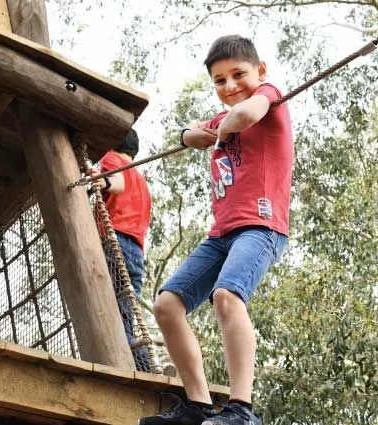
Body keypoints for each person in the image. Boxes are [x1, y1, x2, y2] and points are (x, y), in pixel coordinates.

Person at [139, 35, 293, 425]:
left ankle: (242, 410)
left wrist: (209, 130)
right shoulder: (222, 118)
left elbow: (243, 116)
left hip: (261, 226)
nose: (230, 86)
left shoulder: (270, 96)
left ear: (260, 70)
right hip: (221, 234)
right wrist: (185, 135)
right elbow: (190, 132)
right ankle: (197, 404)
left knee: (226, 296)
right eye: (219, 81)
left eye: (238, 74)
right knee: (166, 305)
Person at [89, 128, 153, 371]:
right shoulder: (142, 182)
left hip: (115, 243)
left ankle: (142, 366)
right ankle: (144, 363)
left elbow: (115, 182)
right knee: (126, 314)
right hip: (135, 252)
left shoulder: (111, 158)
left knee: (113, 317)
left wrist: (102, 180)